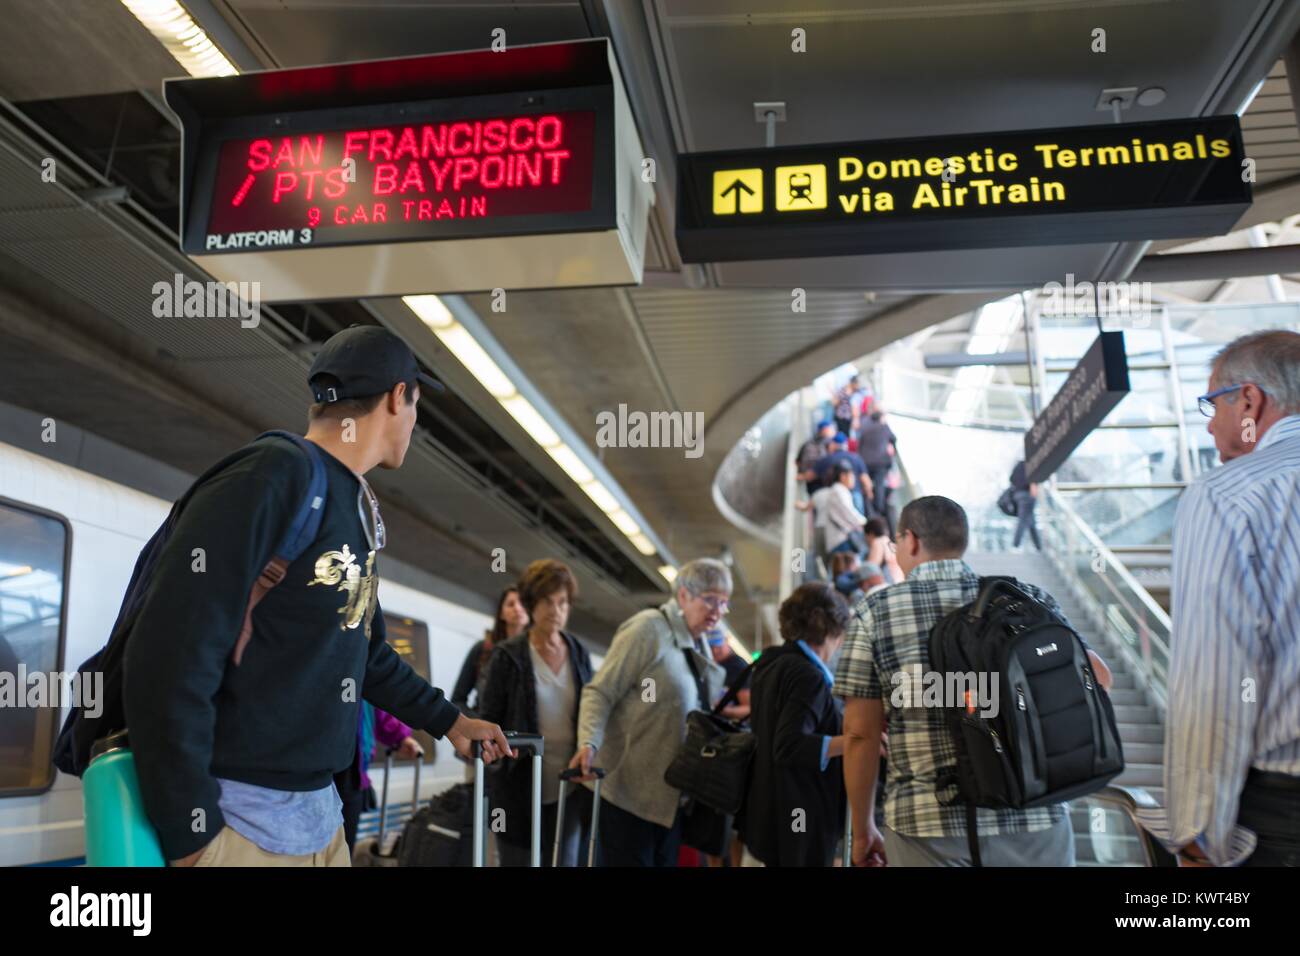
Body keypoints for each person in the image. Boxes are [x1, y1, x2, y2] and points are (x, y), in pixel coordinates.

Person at [121, 325, 513, 867]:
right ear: (399, 396)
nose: (415, 422)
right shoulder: (273, 475)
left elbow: (365, 652)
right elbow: (167, 650)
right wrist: (191, 834)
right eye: (417, 405)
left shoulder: (355, 504)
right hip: (239, 822)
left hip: (319, 818)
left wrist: (449, 721)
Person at [836, 495, 1112, 867]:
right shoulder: (1026, 599)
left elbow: (860, 734)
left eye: (896, 542)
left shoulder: (876, 612)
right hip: (1036, 815)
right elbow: (1100, 678)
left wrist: (864, 826)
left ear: (911, 540)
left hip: (928, 825)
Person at [1135, 330, 1300, 867]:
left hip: (1281, 816)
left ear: (1250, 401)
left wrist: (1198, 834)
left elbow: (1218, 679)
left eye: (1214, 404)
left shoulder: (1229, 496)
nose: (1210, 424)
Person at [570, 558, 728, 866]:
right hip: (625, 795)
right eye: (710, 600)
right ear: (683, 595)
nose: (718, 611)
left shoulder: (699, 647)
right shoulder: (648, 629)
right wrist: (589, 742)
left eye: (724, 603)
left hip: (669, 802)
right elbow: (600, 691)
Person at [479, 559, 594, 866]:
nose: (556, 611)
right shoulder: (508, 655)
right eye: (547, 601)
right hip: (519, 786)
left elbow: (592, 707)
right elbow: (489, 716)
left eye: (563, 602)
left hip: (568, 785)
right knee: (519, 860)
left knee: (563, 860)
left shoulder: (578, 651)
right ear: (531, 604)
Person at [739, 582, 850, 867]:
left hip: (770, 812)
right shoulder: (808, 676)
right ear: (829, 630)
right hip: (800, 818)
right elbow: (789, 745)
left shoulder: (772, 663)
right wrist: (856, 742)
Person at [336, 704, 424, 854]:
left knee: (341, 851)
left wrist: (400, 736)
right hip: (306, 771)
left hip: (351, 770)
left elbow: (375, 698)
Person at [451, 587, 530, 715]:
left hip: (525, 733)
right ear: (501, 613)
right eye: (511, 604)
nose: (517, 608)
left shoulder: (535, 654)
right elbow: (457, 700)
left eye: (523, 603)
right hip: (486, 732)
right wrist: (478, 723)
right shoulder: (482, 649)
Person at [857, 410, 898, 527]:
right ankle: (879, 509)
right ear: (881, 418)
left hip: (866, 462)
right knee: (879, 484)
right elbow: (893, 439)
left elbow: (860, 445)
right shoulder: (884, 427)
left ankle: (869, 511)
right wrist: (892, 450)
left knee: (867, 486)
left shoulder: (865, 428)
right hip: (881, 462)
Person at [815, 433, 872, 514]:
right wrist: (869, 493)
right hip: (855, 495)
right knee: (857, 523)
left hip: (834, 497)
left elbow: (811, 475)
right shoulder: (856, 458)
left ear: (833, 444)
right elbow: (866, 480)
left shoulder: (827, 459)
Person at [824, 463, 869, 557]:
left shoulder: (840, 490)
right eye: (852, 475)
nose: (854, 479)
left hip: (841, 540)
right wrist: (867, 525)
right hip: (841, 541)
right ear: (843, 476)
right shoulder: (838, 490)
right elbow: (849, 512)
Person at [707, 629, 751, 722]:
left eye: (718, 645)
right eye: (711, 647)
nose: (715, 650)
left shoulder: (737, 667)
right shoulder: (717, 665)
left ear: (726, 642)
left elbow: (749, 708)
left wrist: (722, 710)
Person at [795, 420, 836, 495]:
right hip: (823, 481)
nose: (832, 431)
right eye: (830, 429)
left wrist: (802, 474)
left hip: (809, 481)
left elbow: (798, 461)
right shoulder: (830, 444)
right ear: (825, 430)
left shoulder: (808, 443)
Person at [1009, 460, 1041, 552]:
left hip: (1018, 495)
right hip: (1027, 495)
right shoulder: (1032, 465)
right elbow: (1034, 481)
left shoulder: (1019, 465)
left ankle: (1038, 547)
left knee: (1031, 521)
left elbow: (1011, 479)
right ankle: (1015, 545)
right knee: (1023, 520)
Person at [863, 517, 903, 584]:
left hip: (888, 584)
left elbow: (869, 569)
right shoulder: (891, 544)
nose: (866, 540)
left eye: (865, 536)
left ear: (871, 534)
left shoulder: (878, 542)